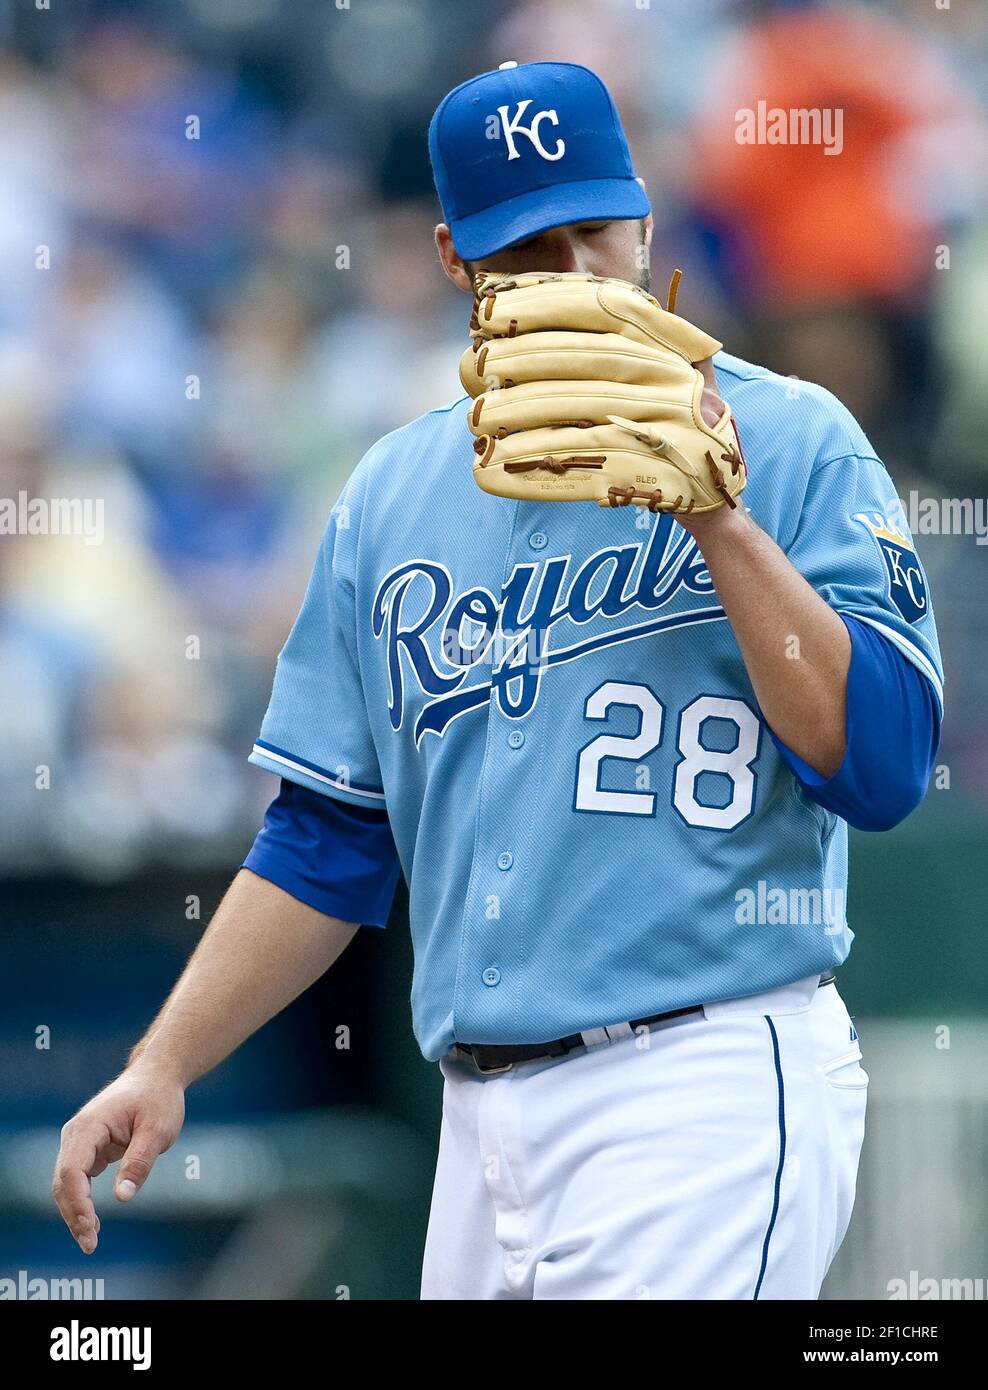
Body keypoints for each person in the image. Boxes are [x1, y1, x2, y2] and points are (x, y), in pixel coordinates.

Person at [53, 61, 942, 1301]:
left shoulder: (791, 437)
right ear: (454, 261)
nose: (576, 277)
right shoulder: (391, 495)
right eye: (529, 250)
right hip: (476, 1129)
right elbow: (326, 842)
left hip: (704, 1083)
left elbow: (886, 766)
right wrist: (163, 1064)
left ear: (643, 221)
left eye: (595, 231)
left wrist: (723, 526)